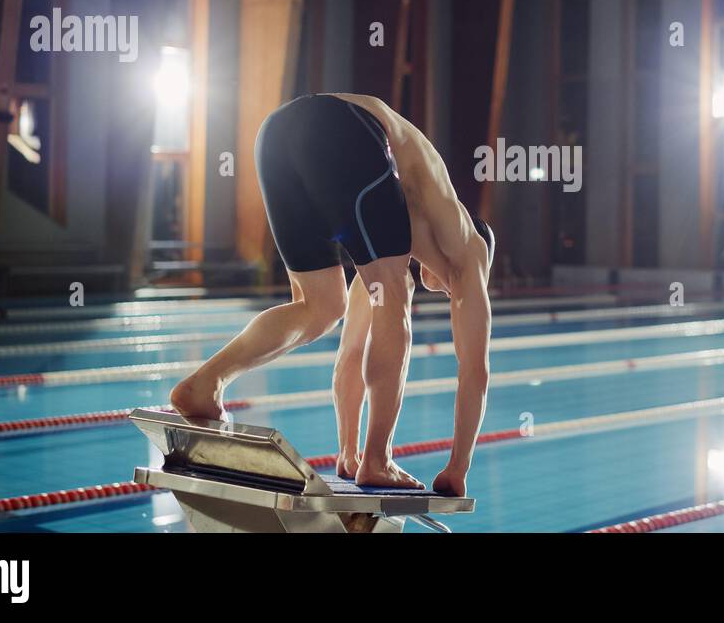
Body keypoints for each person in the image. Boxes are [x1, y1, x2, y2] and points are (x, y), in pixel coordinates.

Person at [170, 93, 493, 496]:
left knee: (321, 306)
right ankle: (380, 460)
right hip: (342, 127)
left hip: (278, 135)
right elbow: (475, 371)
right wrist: (457, 470)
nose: (447, 293)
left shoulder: (394, 230)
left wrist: (347, 452)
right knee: (392, 296)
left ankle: (205, 383)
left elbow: (351, 351)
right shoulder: (470, 251)